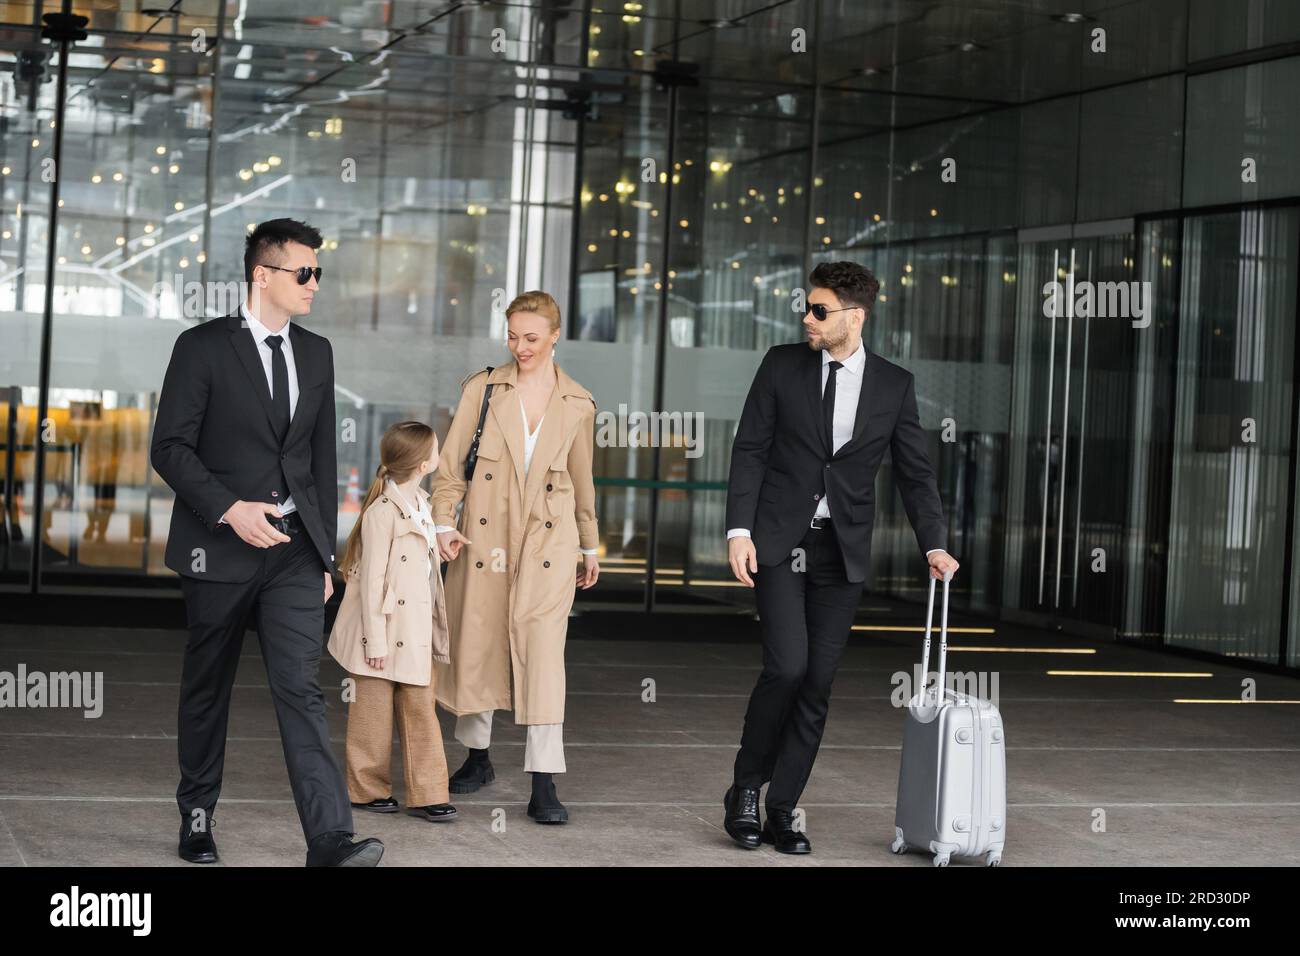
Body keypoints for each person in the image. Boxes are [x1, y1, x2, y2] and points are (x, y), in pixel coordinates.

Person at [150, 218, 383, 867]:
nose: (315, 283)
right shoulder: (200, 348)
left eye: (317, 272)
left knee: (301, 689)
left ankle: (330, 838)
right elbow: (168, 447)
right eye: (303, 272)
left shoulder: (317, 353)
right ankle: (197, 815)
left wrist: (327, 556)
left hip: (293, 554)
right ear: (263, 275)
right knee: (208, 682)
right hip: (218, 548)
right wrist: (228, 510)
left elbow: (317, 462)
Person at [723, 260, 960, 854]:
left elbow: (915, 473)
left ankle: (783, 808)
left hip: (843, 552)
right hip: (780, 541)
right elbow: (750, 447)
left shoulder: (893, 384)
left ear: (854, 317)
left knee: (818, 683)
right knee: (787, 666)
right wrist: (738, 530)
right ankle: (746, 790)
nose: (808, 317)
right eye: (807, 306)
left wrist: (933, 542)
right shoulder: (782, 364)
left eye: (820, 310)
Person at [432, 291, 600, 824]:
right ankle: (477, 758)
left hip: (549, 545)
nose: (520, 347)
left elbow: (582, 480)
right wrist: (441, 522)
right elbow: (450, 468)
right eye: (512, 336)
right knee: (478, 641)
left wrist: (590, 544)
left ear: (554, 337)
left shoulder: (578, 403)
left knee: (544, 656)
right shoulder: (482, 389)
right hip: (483, 541)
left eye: (531, 337)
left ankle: (544, 781)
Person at [327, 421, 457, 824]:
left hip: (414, 630)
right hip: (380, 632)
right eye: (436, 448)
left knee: (422, 712)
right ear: (422, 463)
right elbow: (371, 583)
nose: (439, 453)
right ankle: (365, 790)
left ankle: (429, 794)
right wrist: (376, 642)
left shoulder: (422, 502)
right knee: (371, 715)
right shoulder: (382, 512)